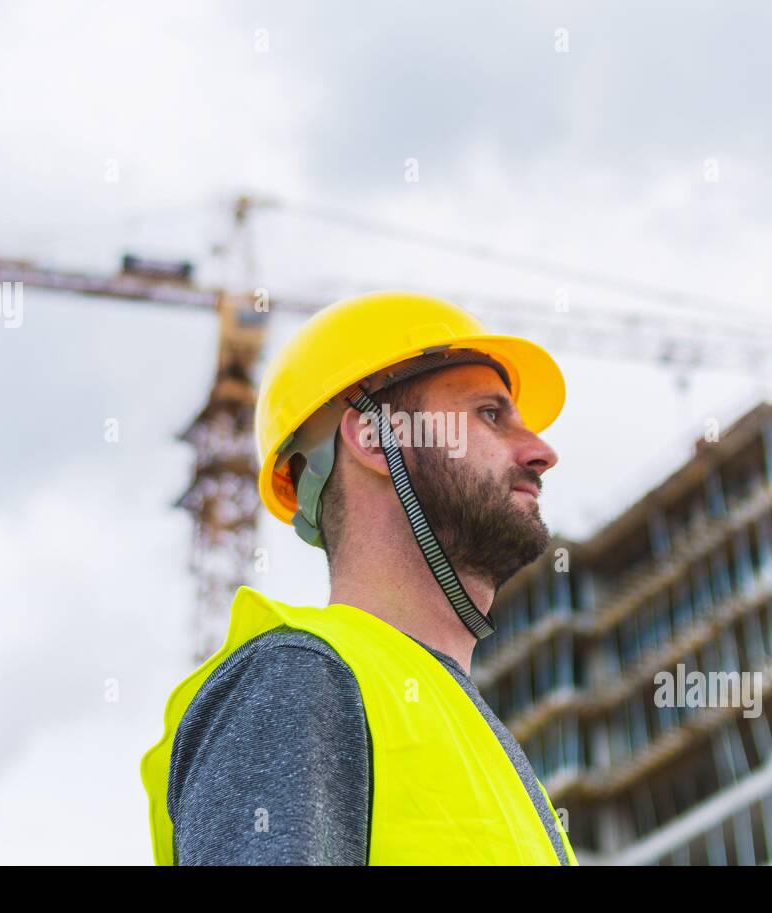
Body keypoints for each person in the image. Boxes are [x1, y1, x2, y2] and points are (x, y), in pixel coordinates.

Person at [140, 290, 579, 865]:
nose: (542, 451)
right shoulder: (297, 676)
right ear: (374, 438)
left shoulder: (489, 747)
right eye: (490, 415)